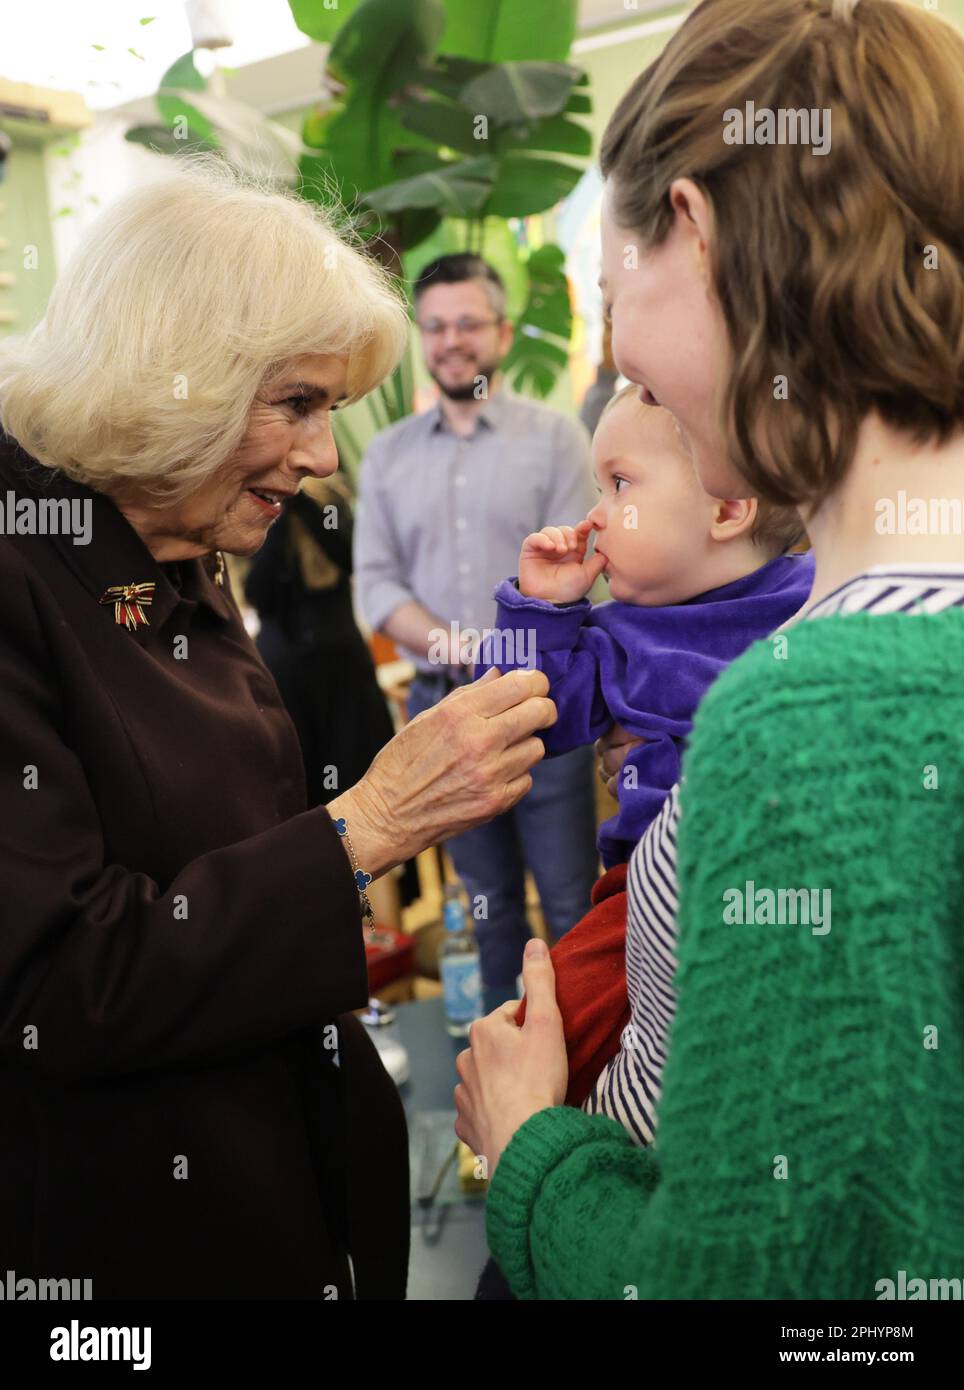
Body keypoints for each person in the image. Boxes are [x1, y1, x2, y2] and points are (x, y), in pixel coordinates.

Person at [456, 0, 964, 1299]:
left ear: (692, 227)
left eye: (615, 264)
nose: (613, 328)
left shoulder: (821, 715)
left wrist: (531, 1148)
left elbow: (733, 1274)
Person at [0, 159, 557, 1300]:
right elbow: (57, 983)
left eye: (331, 414)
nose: (319, 463)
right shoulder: (22, 578)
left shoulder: (173, 547)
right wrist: (365, 826)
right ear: (175, 378)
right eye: (297, 405)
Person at [354, 253, 600, 996]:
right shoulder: (389, 456)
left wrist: (500, 651)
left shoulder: (556, 440)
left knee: (568, 902)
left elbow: (582, 575)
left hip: (540, 706)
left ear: (499, 331)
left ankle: (582, 1086)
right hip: (440, 706)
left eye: (467, 323)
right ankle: (500, 1073)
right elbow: (376, 584)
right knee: (486, 909)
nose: (451, 340)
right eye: (434, 326)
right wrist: (455, 645)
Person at [478, 388, 813, 865]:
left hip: (801, 878)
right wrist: (540, 608)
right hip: (651, 892)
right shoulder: (613, 641)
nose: (594, 517)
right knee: (579, 945)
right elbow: (507, 717)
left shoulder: (826, 599)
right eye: (599, 490)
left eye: (619, 483)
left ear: (727, 509)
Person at [244, 474, 396, 809]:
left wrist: (304, 506)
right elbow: (257, 592)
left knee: (358, 768)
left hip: (343, 663)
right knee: (306, 780)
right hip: (287, 672)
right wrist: (280, 517)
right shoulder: (252, 509)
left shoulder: (331, 498)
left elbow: (350, 558)